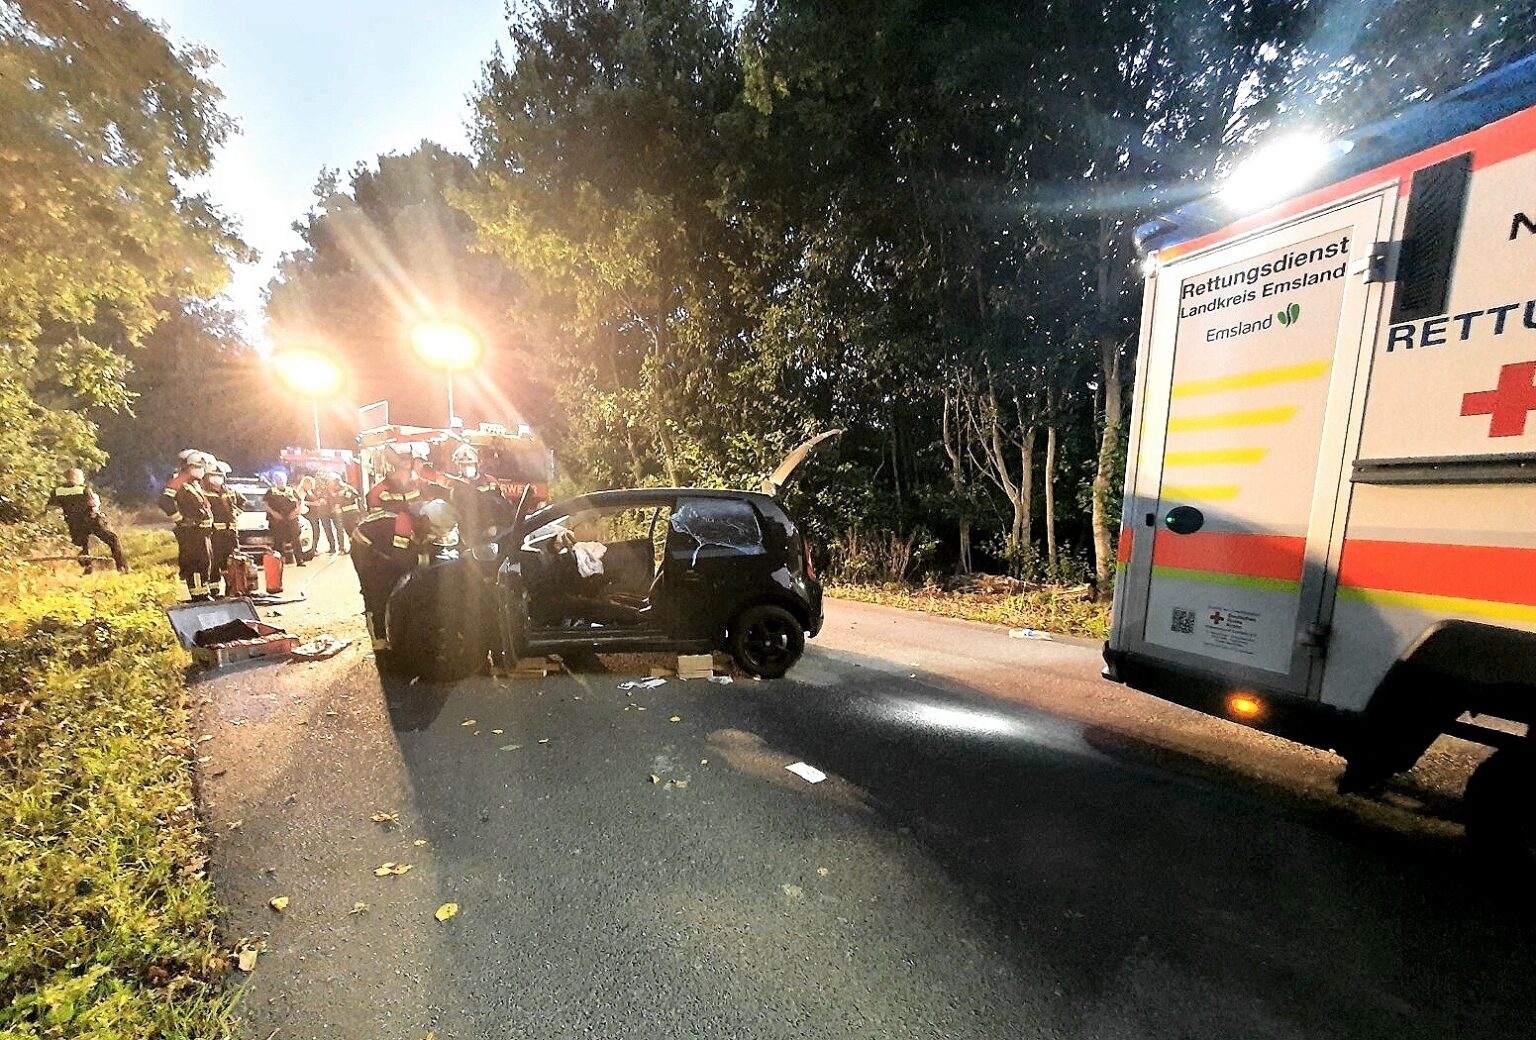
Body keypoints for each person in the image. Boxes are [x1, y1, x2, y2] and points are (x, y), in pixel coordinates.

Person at [353, 446, 441, 650]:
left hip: (402, 537)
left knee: (406, 578)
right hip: (369, 547)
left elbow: (429, 508)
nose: (417, 465)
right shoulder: (377, 492)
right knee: (376, 590)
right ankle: (379, 640)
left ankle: (402, 628)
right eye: (413, 460)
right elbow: (382, 526)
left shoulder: (418, 485)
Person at [46, 467, 129, 574]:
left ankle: (87, 566)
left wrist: (65, 510)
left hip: (74, 523)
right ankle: (122, 567)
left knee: (83, 545)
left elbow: (51, 507)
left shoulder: (57, 491)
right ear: (75, 477)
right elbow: (93, 504)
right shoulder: (83, 489)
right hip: (91, 520)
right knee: (113, 539)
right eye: (81, 477)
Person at [159, 450, 215, 599]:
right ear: (190, 466)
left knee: (205, 562)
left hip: (202, 531)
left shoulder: (194, 483)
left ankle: (204, 591)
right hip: (191, 532)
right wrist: (179, 519)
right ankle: (198, 595)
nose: (202, 470)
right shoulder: (179, 480)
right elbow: (165, 501)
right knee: (195, 563)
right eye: (199, 466)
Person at [442, 444, 512, 547]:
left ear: (477, 464)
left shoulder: (490, 481)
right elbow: (461, 514)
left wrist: (496, 526)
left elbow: (502, 504)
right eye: (463, 465)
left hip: (497, 528)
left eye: (470, 464)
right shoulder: (456, 486)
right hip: (472, 535)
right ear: (459, 467)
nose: (467, 468)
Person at [202, 460, 241, 596]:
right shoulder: (204, 493)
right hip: (215, 534)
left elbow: (242, 503)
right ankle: (214, 590)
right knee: (214, 563)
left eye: (219, 476)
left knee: (232, 561)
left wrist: (235, 514)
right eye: (213, 476)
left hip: (231, 533)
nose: (216, 479)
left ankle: (232, 588)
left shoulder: (230, 492)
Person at [263, 473, 305, 566]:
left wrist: (295, 512)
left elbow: (299, 502)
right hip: (278, 520)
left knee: (296, 540)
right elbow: (265, 504)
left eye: (282, 479)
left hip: (291, 519)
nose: (280, 481)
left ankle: (299, 560)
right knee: (278, 541)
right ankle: (280, 561)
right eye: (278, 479)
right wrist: (274, 513)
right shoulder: (271, 491)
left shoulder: (291, 490)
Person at [328, 471, 362, 551]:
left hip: (352, 514)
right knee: (348, 531)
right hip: (344, 514)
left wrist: (345, 494)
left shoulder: (347, 488)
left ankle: (358, 547)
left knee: (354, 531)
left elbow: (356, 495)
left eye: (332, 482)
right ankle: (353, 547)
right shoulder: (334, 491)